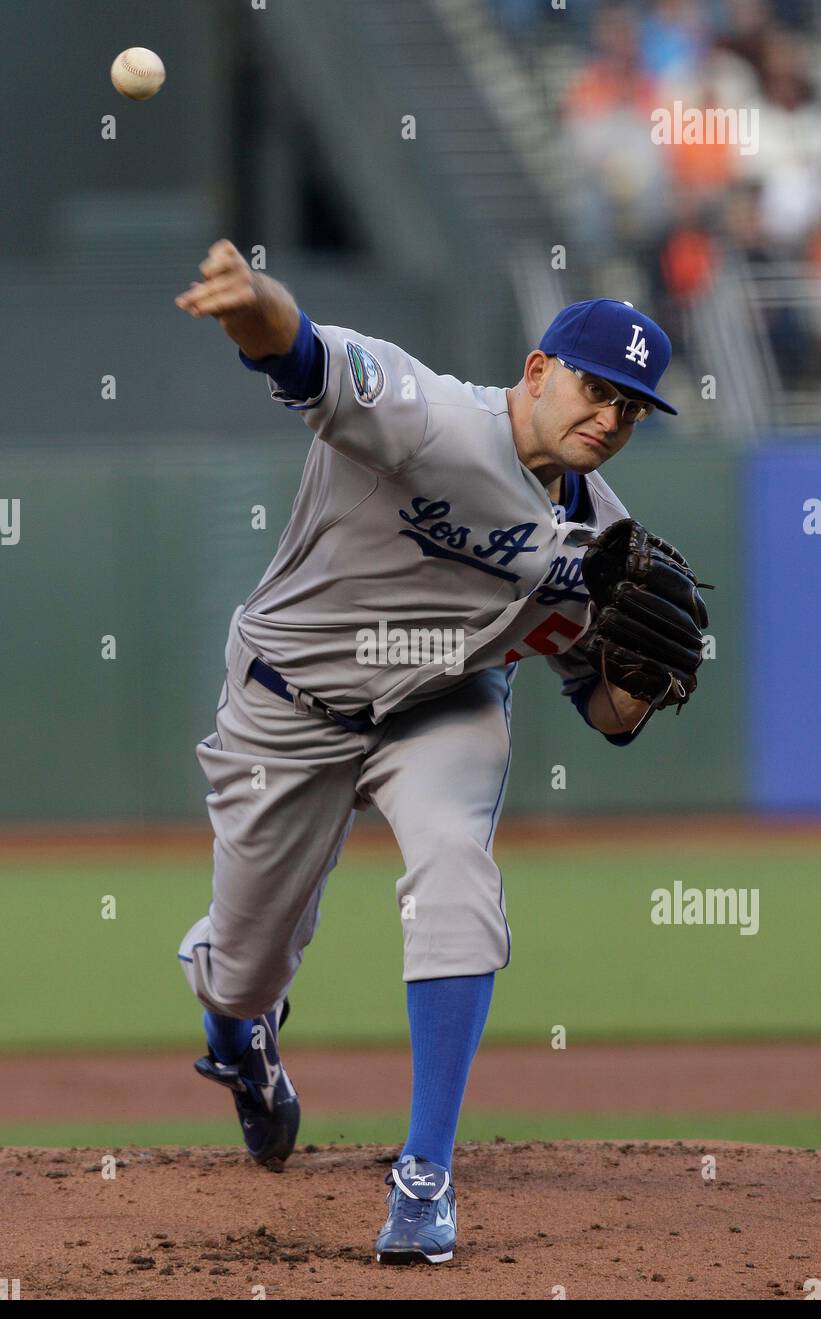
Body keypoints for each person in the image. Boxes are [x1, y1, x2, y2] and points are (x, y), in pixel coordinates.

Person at [174, 242, 679, 1265]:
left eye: (631, 407)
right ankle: (241, 1042)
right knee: (242, 967)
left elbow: (607, 712)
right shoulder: (420, 412)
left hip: (441, 708)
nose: (609, 418)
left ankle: (424, 1177)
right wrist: (248, 301)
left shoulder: (609, 541)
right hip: (290, 704)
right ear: (537, 371)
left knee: (454, 871)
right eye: (596, 388)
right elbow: (299, 353)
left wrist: (644, 678)